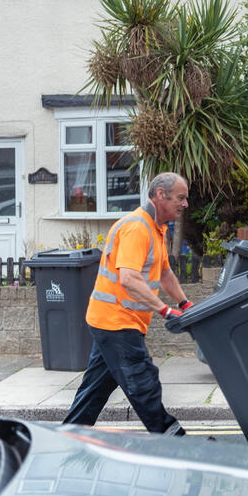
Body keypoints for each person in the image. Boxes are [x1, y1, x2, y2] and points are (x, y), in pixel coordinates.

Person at [63, 172, 196, 436]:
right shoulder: (137, 228)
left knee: (95, 390)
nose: (185, 204)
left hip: (113, 321)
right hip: (117, 323)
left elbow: (165, 273)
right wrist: (164, 309)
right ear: (160, 195)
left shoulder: (157, 229)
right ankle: (176, 442)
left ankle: (68, 437)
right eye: (180, 198)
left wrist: (184, 302)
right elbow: (129, 278)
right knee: (143, 383)